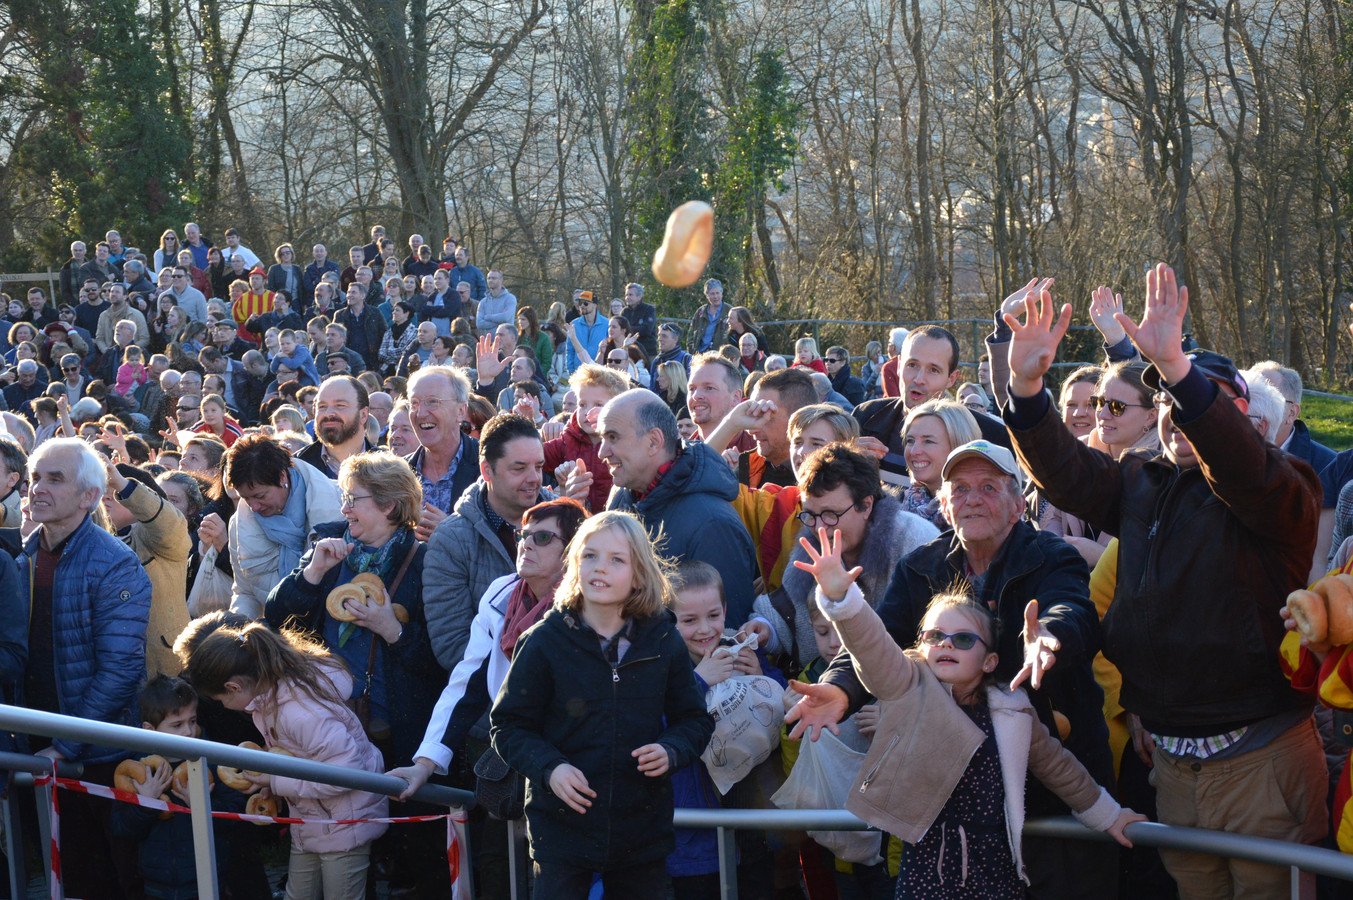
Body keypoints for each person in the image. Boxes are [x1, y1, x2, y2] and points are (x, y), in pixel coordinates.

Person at [1002, 266, 1326, 898]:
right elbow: (1065, 471)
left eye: (1193, 400)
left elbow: (1238, 465)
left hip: (1260, 757)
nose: (1175, 416)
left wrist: (1177, 367)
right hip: (1174, 765)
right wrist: (1026, 384)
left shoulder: (1282, 488)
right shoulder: (1142, 485)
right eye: (1168, 404)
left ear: (1242, 416)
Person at [791, 438, 1115, 895]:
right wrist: (840, 688)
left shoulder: (1052, 555)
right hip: (955, 797)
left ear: (1018, 504)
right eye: (960, 489)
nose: (973, 499)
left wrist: (1049, 637)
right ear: (943, 504)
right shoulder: (921, 566)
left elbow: (1071, 610)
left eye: (988, 487)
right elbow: (879, 639)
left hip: (1050, 786)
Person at [490, 510, 715, 899]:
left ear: (639, 572)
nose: (600, 568)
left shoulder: (664, 641)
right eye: (590, 555)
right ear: (575, 562)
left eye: (616, 559)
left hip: (641, 834)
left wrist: (671, 749)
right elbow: (508, 726)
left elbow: (694, 720)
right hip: (562, 832)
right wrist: (550, 768)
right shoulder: (543, 641)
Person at [390, 497, 587, 899]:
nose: (526, 544)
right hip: (516, 757)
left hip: (577, 762)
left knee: (568, 872)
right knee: (500, 862)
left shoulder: (591, 603)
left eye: (543, 537)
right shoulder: (502, 593)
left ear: (572, 552)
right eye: (523, 535)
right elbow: (468, 683)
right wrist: (425, 764)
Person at [20, 438, 152, 898]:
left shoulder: (116, 565)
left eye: (55, 479)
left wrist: (63, 745)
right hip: (34, 746)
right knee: (66, 875)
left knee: (113, 881)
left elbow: (119, 671)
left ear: (89, 497)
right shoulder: (22, 556)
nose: (38, 488)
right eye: (36, 477)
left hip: (99, 757)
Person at [183, 621, 389, 900]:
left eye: (220, 699)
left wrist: (277, 781)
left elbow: (347, 773)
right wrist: (272, 784)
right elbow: (298, 758)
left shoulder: (300, 712)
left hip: (345, 823)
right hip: (311, 819)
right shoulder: (269, 701)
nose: (221, 706)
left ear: (233, 687)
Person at [756, 441, 938, 668]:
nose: (820, 527)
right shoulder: (811, 547)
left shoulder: (916, 542)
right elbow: (788, 614)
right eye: (810, 515)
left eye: (831, 514)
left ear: (866, 505)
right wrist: (764, 628)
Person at [596, 389, 759, 624]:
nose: (602, 452)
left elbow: (722, 637)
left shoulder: (713, 526)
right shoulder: (624, 498)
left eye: (613, 437)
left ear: (654, 441)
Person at [108, 675, 261, 900]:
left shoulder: (212, 761)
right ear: (149, 730)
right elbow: (122, 829)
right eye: (177, 725)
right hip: (157, 887)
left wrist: (200, 803)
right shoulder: (139, 771)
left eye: (192, 720)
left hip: (209, 882)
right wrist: (146, 804)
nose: (188, 731)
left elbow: (234, 819)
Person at [422, 413, 552, 672]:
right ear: (487, 470)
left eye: (538, 466)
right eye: (519, 468)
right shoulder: (452, 540)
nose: (534, 478)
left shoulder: (566, 524)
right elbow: (453, 646)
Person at [223, 433, 342, 618]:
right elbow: (245, 592)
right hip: (278, 637)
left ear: (282, 477)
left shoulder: (341, 502)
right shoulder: (238, 524)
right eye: (245, 499)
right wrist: (238, 629)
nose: (253, 507)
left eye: (260, 496)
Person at [101, 458, 192, 677]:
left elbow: (167, 523)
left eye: (113, 491)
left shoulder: (161, 539)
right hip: (110, 663)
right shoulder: (92, 539)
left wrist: (124, 485)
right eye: (101, 489)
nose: (106, 496)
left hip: (163, 667)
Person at [404, 365, 480, 537]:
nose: (421, 413)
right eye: (414, 403)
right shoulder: (399, 472)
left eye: (433, 402)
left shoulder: (489, 464)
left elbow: (506, 539)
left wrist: (450, 533)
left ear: (461, 411)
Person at [899, 399, 981, 523]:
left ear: (958, 446)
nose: (914, 451)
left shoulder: (979, 511)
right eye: (910, 441)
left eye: (928, 441)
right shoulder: (898, 506)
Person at [295, 375, 373, 478]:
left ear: (363, 415)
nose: (328, 413)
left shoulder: (389, 470)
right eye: (322, 407)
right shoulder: (296, 468)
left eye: (340, 405)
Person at [564, 291, 609, 374]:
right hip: (578, 372)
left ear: (595, 305)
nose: (581, 306)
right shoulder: (574, 324)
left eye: (585, 303)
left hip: (600, 373)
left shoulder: (607, 324)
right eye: (580, 303)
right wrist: (570, 370)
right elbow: (569, 349)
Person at [688, 279, 728, 353]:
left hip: (720, 354)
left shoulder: (729, 311)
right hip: (700, 353)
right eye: (712, 294)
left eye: (717, 293)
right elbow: (691, 333)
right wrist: (692, 350)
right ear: (707, 295)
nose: (715, 296)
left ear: (722, 294)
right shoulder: (700, 312)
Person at [623, 283, 658, 357]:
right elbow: (620, 329)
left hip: (647, 352)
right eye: (626, 295)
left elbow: (646, 330)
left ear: (639, 297)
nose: (627, 297)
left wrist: (627, 328)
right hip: (628, 351)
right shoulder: (624, 312)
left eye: (630, 295)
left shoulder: (649, 310)